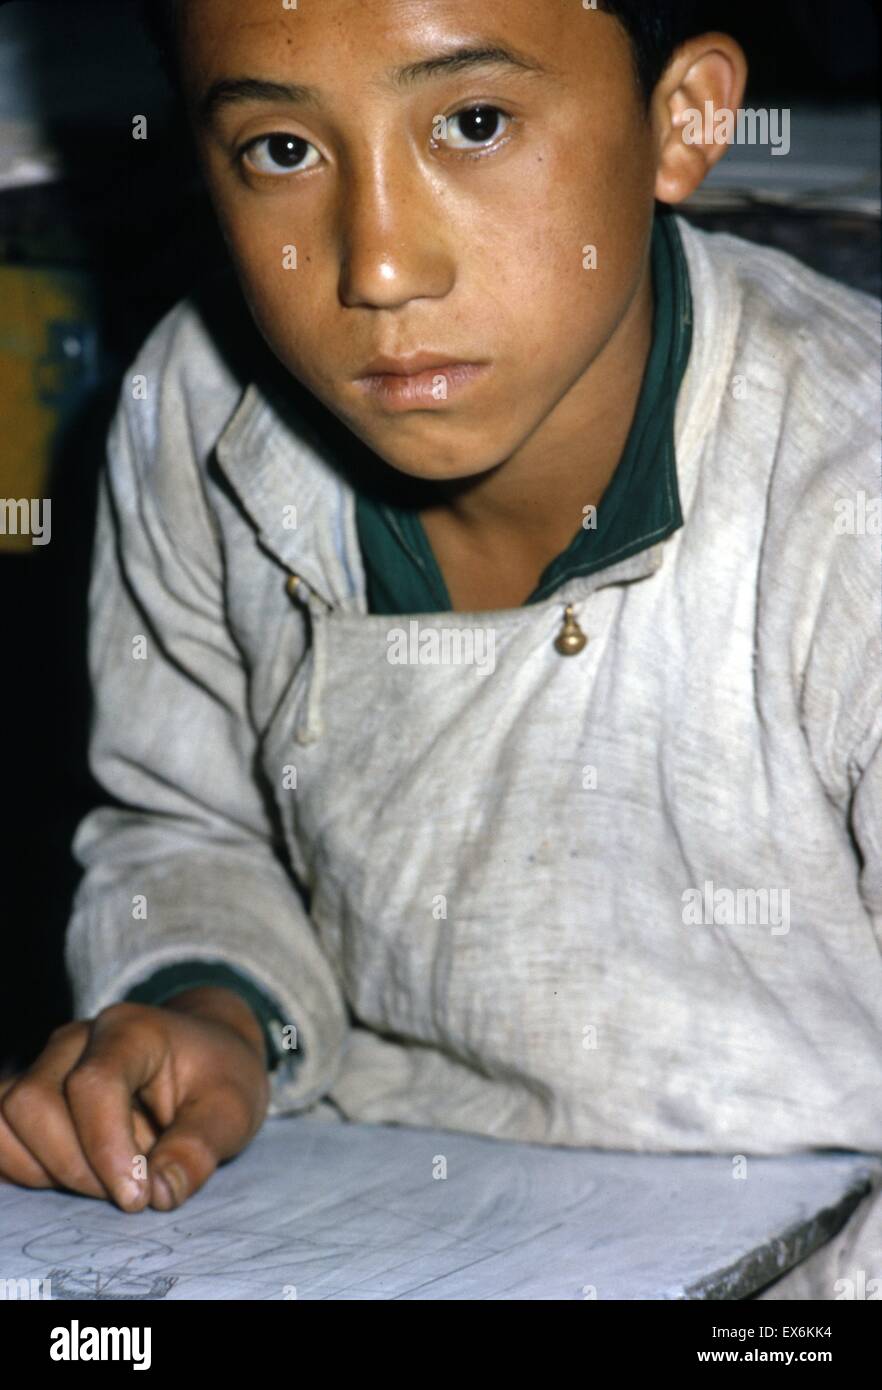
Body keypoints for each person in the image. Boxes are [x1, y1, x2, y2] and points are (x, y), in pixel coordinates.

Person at [1, 0, 879, 1301]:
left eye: (472, 123)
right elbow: (192, 824)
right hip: (369, 1209)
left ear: (682, 118)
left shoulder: (842, 487)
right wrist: (213, 1011)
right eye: (281, 152)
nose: (379, 265)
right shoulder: (191, 408)